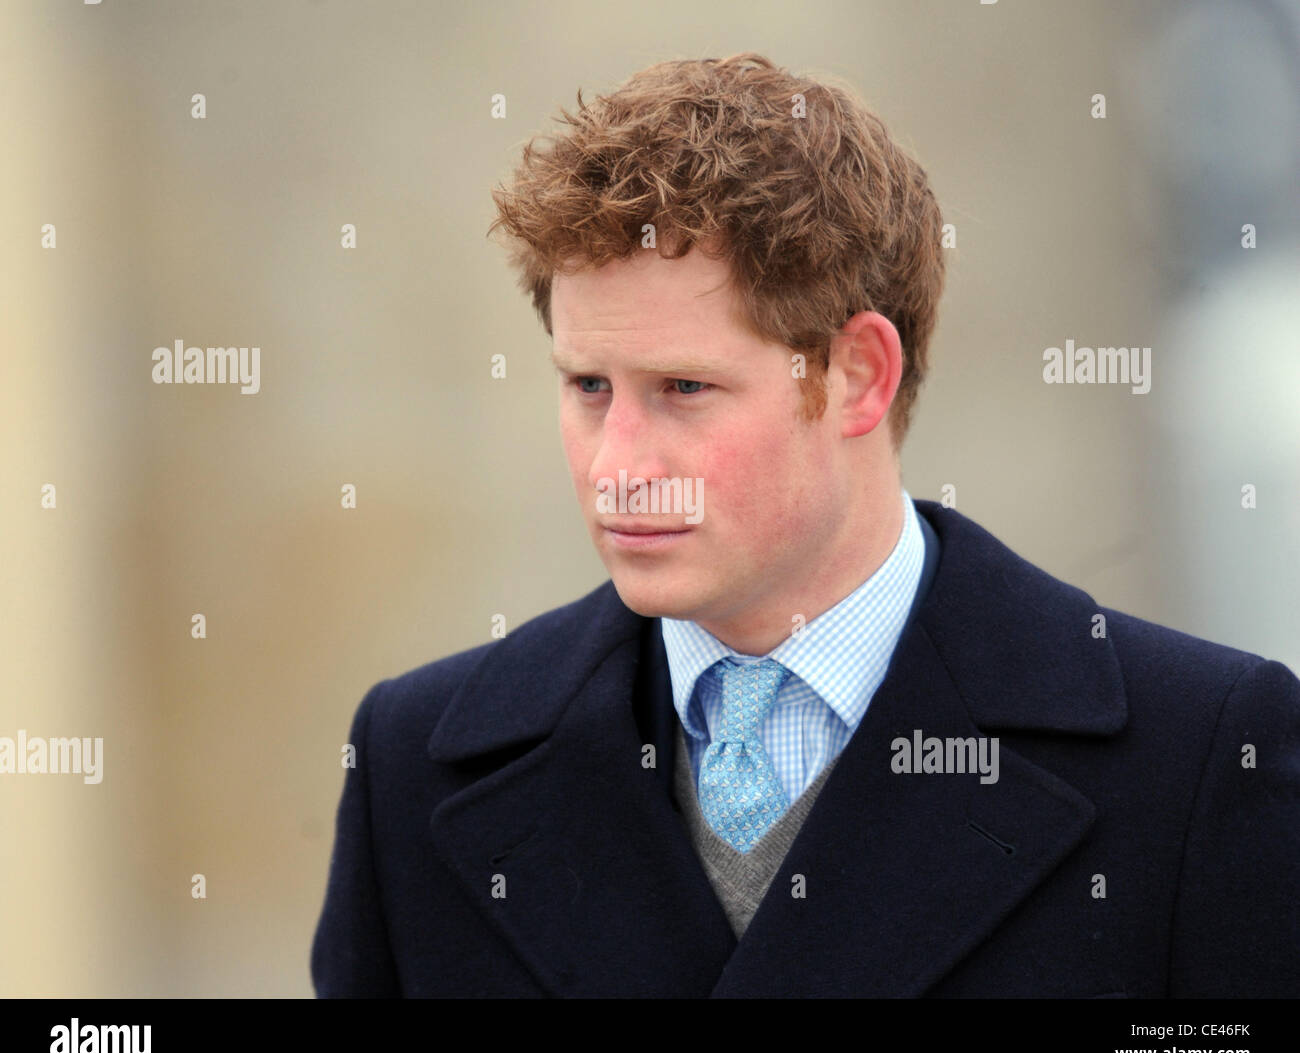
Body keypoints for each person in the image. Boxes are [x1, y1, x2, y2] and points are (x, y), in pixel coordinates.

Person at [311, 53, 1300, 997]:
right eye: (588, 386)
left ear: (859, 375)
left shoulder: (1195, 757)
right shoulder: (417, 760)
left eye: (684, 388)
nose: (616, 465)